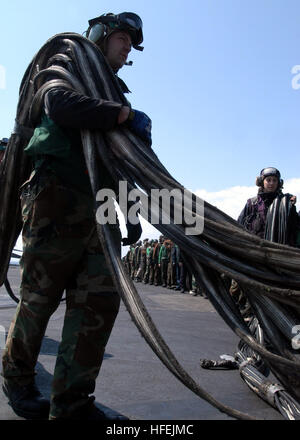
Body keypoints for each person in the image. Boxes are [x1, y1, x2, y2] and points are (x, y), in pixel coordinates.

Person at [1, 12, 149, 420]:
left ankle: (72, 400)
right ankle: (17, 377)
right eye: (122, 38)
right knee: (40, 297)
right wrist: (120, 115)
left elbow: (118, 160)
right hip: (56, 194)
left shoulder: (115, 92)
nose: (127, 48)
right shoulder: (66, 64)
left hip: (99, 205)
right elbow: (59, 104)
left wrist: (131, 213)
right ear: (101, 35)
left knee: (98, 302)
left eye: (130, 44)